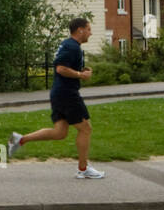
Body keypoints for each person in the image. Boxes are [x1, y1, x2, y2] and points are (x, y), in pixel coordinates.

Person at [6, 17, 104, 178]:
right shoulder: (72, 47)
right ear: (80, 30)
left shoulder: (69, 45)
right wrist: (80, 74)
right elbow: (60, 68)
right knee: (86, 129)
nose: (90, 33)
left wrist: (80, 72)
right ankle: (83, 169)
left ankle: (20, 140)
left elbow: (64, 67)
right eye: (88, 29)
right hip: (67, 94)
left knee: (60, 132)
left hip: (59, 93)